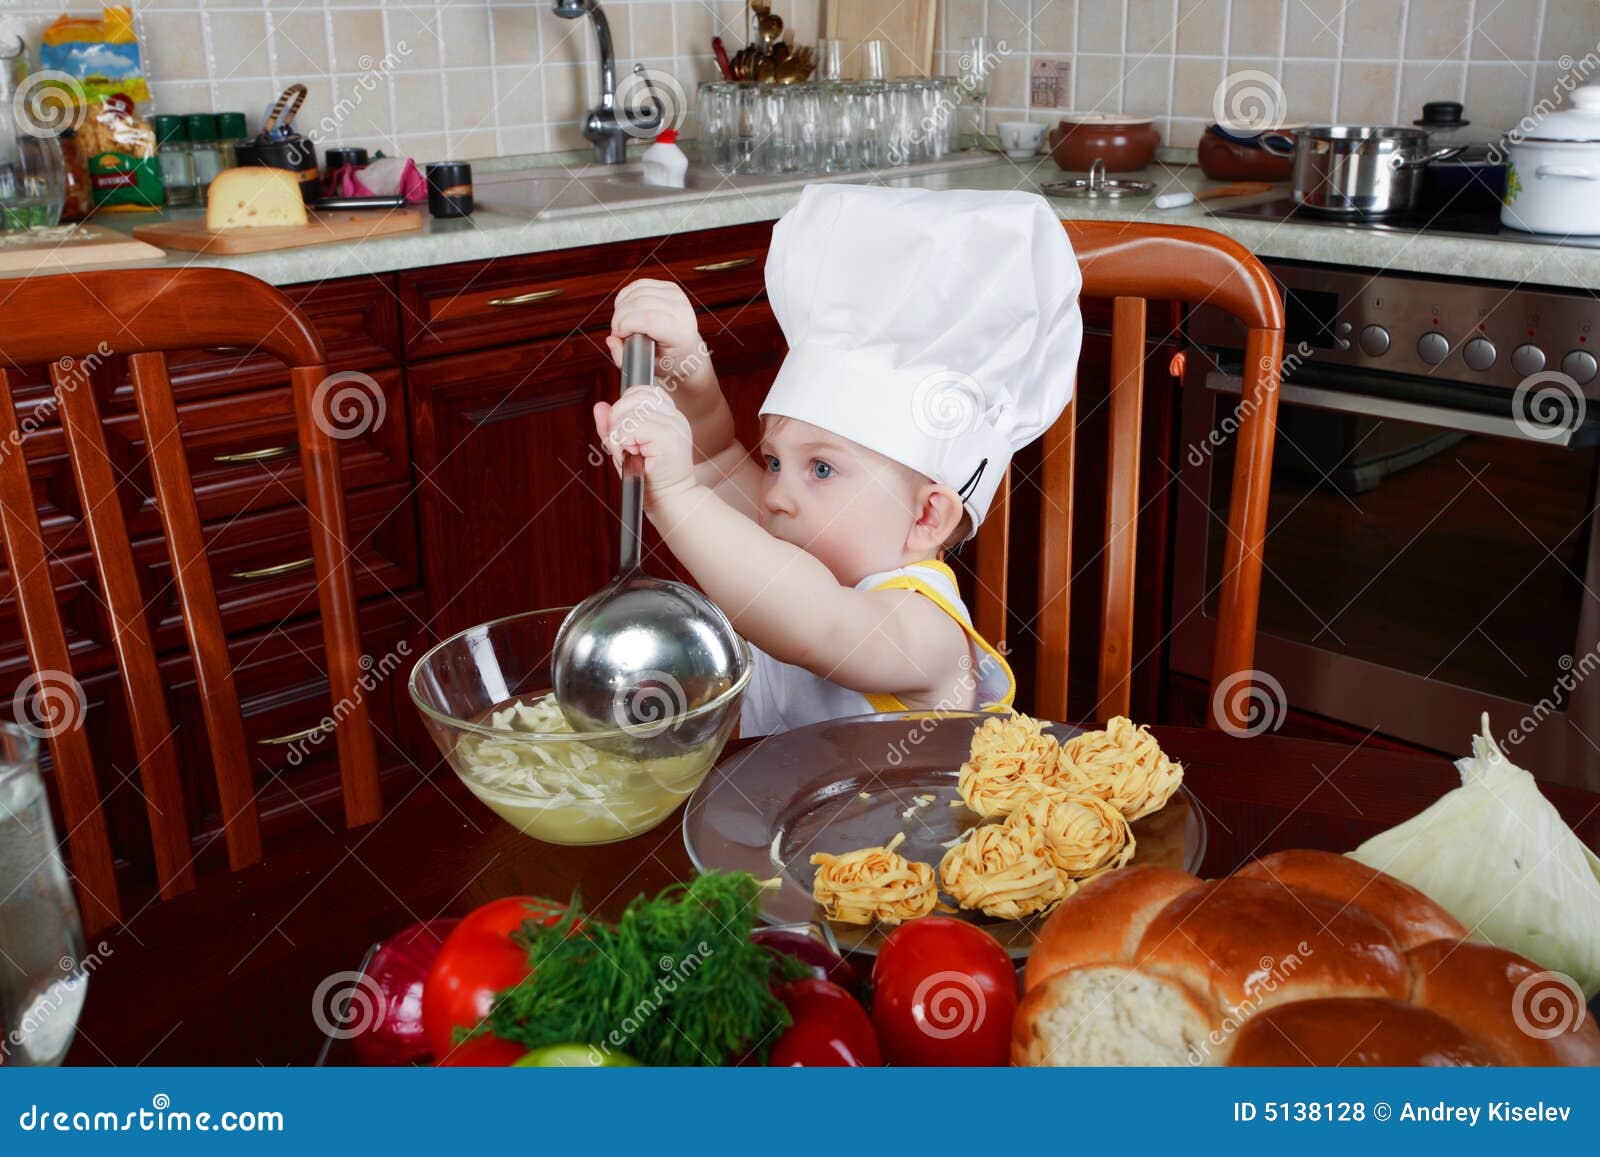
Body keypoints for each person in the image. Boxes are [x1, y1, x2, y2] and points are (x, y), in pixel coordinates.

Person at [594, 184, 1082, 736]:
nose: (775, 493)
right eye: (775, 462)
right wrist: (683, 365)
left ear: (926, 517)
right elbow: (717, 461)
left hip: (921, 825)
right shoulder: (795, 534)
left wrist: (676, 498)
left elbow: (820, 626)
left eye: (821, 469)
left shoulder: (925, 631)